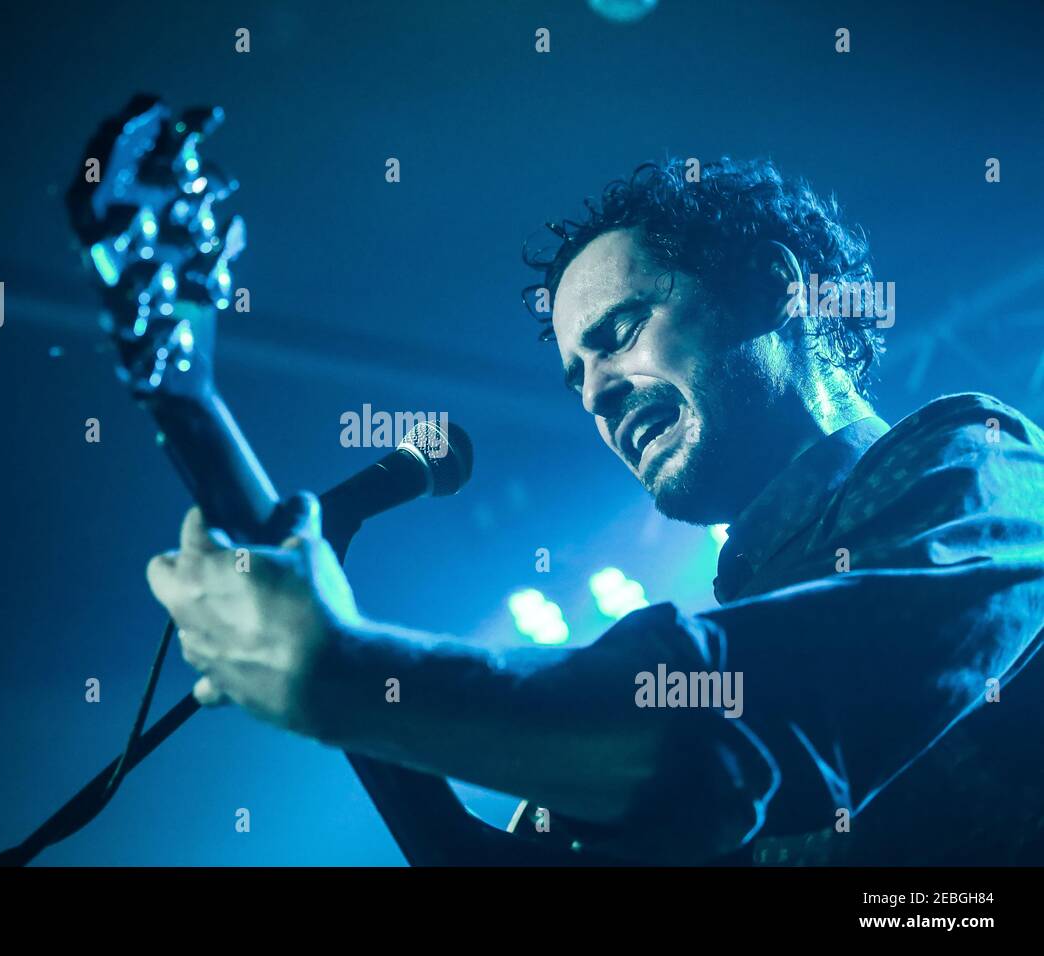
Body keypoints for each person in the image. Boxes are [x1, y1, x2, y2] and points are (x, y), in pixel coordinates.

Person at [145, 159, 1044, 864]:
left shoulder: (981, 461)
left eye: (618, 335)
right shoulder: (747, 607)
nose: (597, 397)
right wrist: (192, 407)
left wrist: (344, 670)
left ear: (772, 289)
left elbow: (747, 724)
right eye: (576, 378)